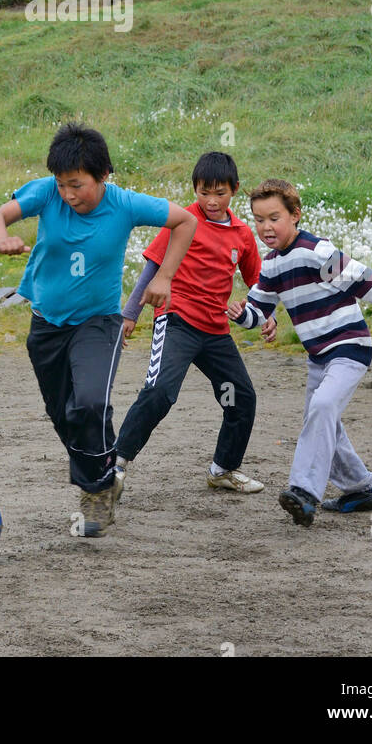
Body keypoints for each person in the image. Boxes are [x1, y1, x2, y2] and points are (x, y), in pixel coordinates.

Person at [0, 122, 196, 537]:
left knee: (90, 403)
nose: (68, 194)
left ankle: (97, 489)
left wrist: (164, 277)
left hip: (99, 323)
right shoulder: (46, 192)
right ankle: (104, 467)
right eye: (63, 184)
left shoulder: (126, 204)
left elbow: (185, 221)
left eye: (77, 184)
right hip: (46, 324)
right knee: (64, 413)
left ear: (102, 176)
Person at [228, 178, 372, 526]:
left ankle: (304, 493)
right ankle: (362, 489)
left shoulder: (316, 252)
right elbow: (259, 311)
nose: (265, 227)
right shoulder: (273, 264)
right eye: (258, 220)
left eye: (274, 217)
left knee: (321, 409)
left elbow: (367, 281)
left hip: (349, 348)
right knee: (321, 422)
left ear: (295, 215)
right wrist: (240, 314)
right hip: (319, 357)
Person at [115, 152, 266, 498]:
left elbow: (259, 284)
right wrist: (129, 314)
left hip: (215, 330)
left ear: (235, 190)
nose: (211, 201)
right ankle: (115, 465)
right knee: (160, 392)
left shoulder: (242, 235)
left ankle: (223, 469)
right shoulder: (183, 222)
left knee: (240, 396)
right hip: (177, 320)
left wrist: (266, 316)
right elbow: (152, 269)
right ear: (195, 190)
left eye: (220, 193)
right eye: (203, 193)